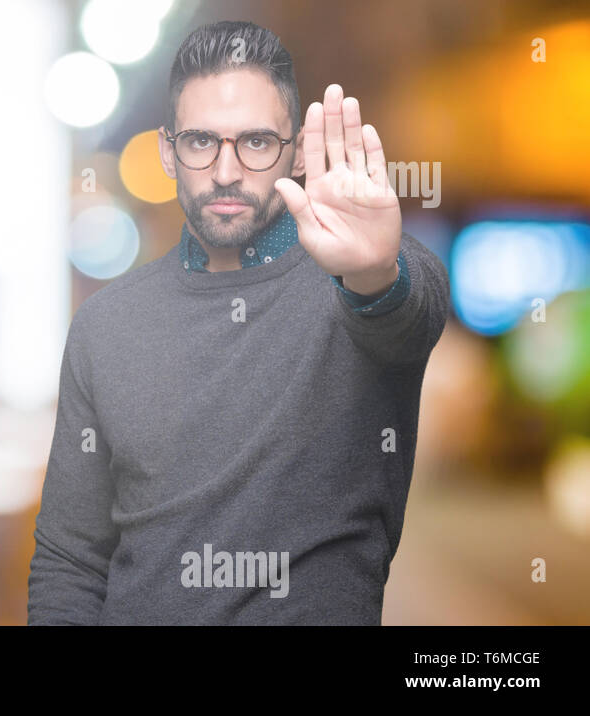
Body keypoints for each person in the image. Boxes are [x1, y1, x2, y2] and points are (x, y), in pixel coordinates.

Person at [27, 20, 449, 625]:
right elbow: (72, 561)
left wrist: (377, 273)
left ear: (298, 150)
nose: (226, 172)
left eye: (254, 142)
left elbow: (410, 313)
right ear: (169, 152)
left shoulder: (361, 287)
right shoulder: (104, 327)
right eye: (201, 142)